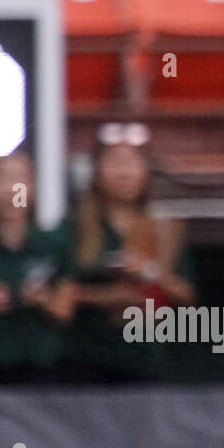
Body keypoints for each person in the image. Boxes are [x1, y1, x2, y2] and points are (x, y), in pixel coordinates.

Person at [64, 123, 196, 381]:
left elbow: (186, 295)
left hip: (146, 362)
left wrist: (148, 272)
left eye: (133, 163)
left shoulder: (165, 229)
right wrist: (107, 297)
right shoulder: (75, 228)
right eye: (114, 163)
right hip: (85, 363)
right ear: (97, 171)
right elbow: (61, 292)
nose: (124, 173)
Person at [0, 152, 74, 383]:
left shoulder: (54, 246)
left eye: (19, 180)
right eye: (3, 179)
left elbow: (65, 310)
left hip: (42, 374)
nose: (12, 190)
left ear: (32, 187)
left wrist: (42, 299)